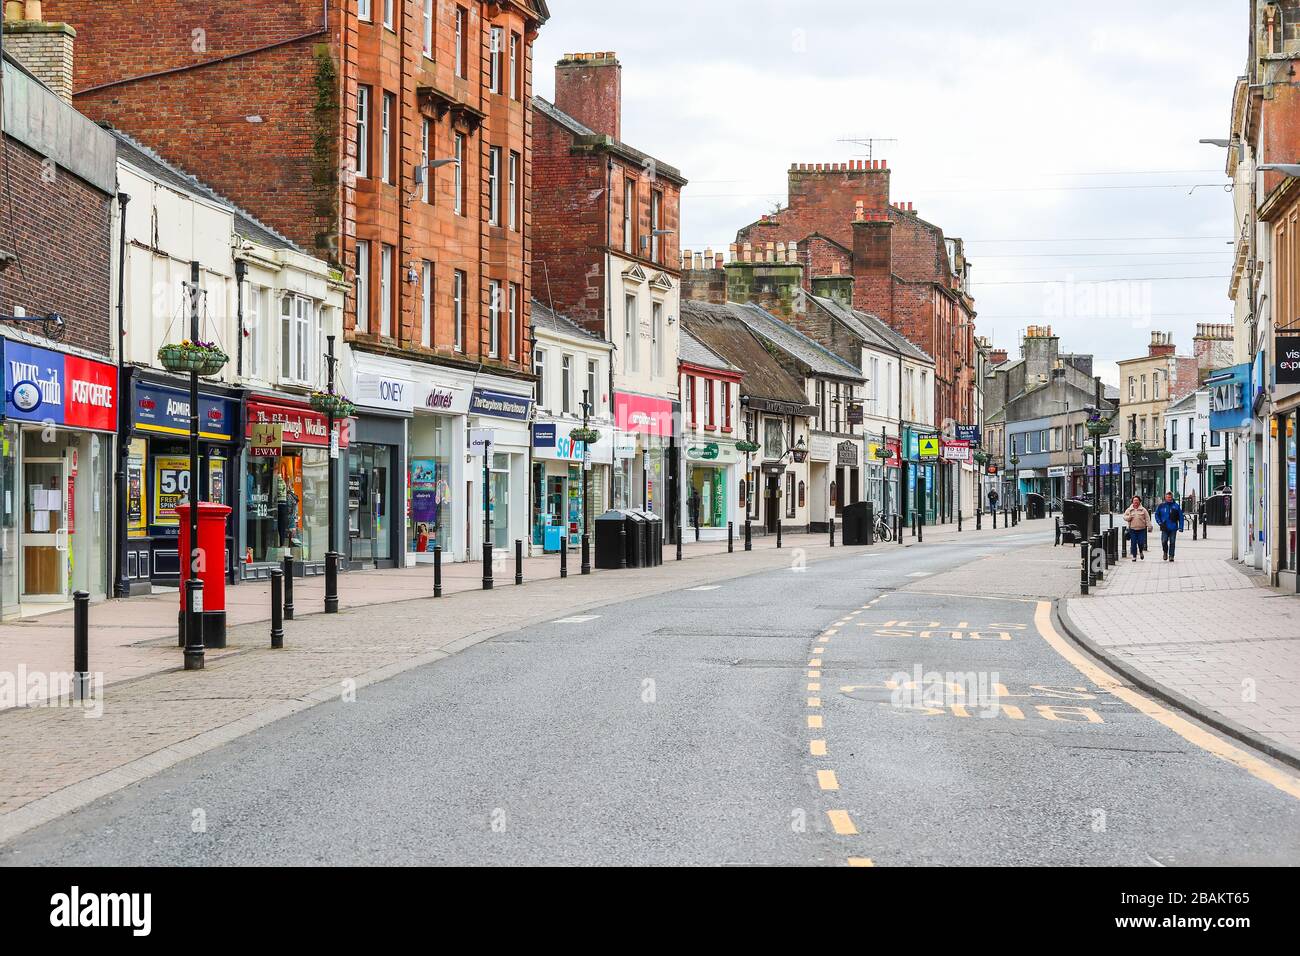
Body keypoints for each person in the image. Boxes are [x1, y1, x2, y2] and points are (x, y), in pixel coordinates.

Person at [1154, 491, 1184, 562]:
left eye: (1170, 497)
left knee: (1172, 542)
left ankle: (1171, 556)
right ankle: (1165, 552)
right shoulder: (1161, 506)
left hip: (1173, 527)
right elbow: (1157, 515)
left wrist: (1181, 527)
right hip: (1164, 527)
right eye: (1167, 497)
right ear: (1165, 497)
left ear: (1172, 497)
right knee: (1164, 541)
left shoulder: (1176, 506)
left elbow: (1181, 517)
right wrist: (1159, 522)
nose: (1169, 498)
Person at [1122, 495, 1151, 561]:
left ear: (1139, 501)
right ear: (1132, 501)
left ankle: (1141, 552)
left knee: (1141, 543)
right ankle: (1134, 556)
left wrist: (1149, 526)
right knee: (1133, 543)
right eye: (1134, 500)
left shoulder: (1143, 510)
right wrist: (1128, 518)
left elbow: (1147, 518)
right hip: (1132, 529)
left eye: (1137, 500)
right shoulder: (1129, 509)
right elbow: (1124, 516)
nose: (1135, 502)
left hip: (1142, 529)